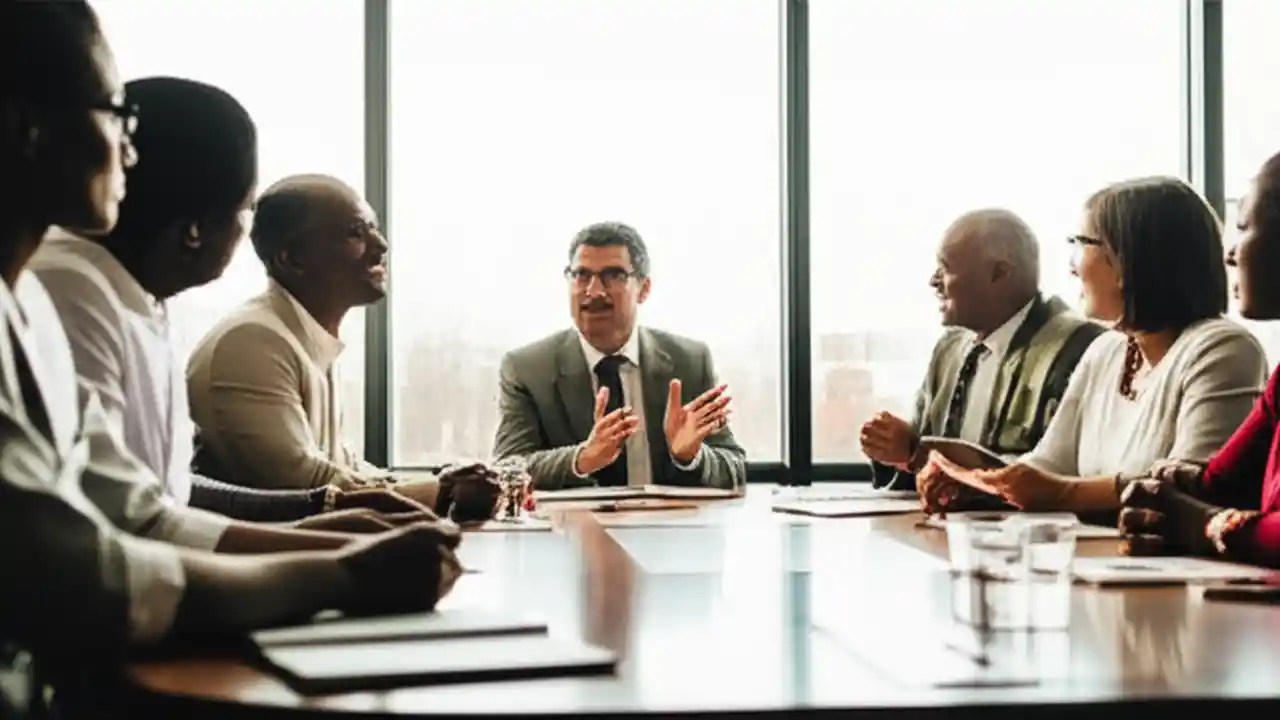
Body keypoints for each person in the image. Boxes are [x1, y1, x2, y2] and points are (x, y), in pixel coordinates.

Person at [0, 5, 460, 713]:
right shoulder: (70, 286)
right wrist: (338, 574)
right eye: (115, 116)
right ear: (29, 126)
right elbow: (81, 580)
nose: (130, 152)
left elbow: (143, 510)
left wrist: (324, 539)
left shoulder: (38, 299)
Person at [31, 76, 427, 529]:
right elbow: (130, 525)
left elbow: (167, 494)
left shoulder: (141, 302)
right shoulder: (74, 292)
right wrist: (334, 551)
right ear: (194, 230)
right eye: (246, 208)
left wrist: (327, 517)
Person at [923, 177, 1268, 515]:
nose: (1072, 266)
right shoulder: (1106, 350)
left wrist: (1063, 493)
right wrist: (974, 484)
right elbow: (1046, 466)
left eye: (1081, 243)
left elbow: (1192, 485)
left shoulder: (1222, 349)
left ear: (1129, 260)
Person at [185, 173, 498, 519]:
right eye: (356, 233)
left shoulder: (305, 335)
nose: (381, 245)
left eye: (374, 228)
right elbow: (304, 486)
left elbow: (343, 467)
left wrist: (441, 482)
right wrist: (440, 492)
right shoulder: (249, 343)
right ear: (293, 259)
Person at [860, 209, 1104, 491]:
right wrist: (890, 448)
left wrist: (918, 452)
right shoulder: (949, 349)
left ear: (999, 273)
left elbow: (1053, 474)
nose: (934, 281)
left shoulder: (1081, 348)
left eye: (945, 268)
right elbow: (914, 458)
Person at [492, 221, 745, 490]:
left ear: (644, 288)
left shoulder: (689, 362)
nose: (594, 291)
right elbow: (507, 467)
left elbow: (734, 467)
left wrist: (691, 456)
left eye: (613, 275)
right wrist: (582, 458)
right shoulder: (528, 370)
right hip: (574, 519)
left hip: (666, 517)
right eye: (581, 275)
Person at [1120, 152, 1280, 568]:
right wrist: (1162, 492)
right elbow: (1218, 482)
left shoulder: (1225, 345)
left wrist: (1206, 525)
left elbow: (1205, 512)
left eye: (1244, 228)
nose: (1230, 254)